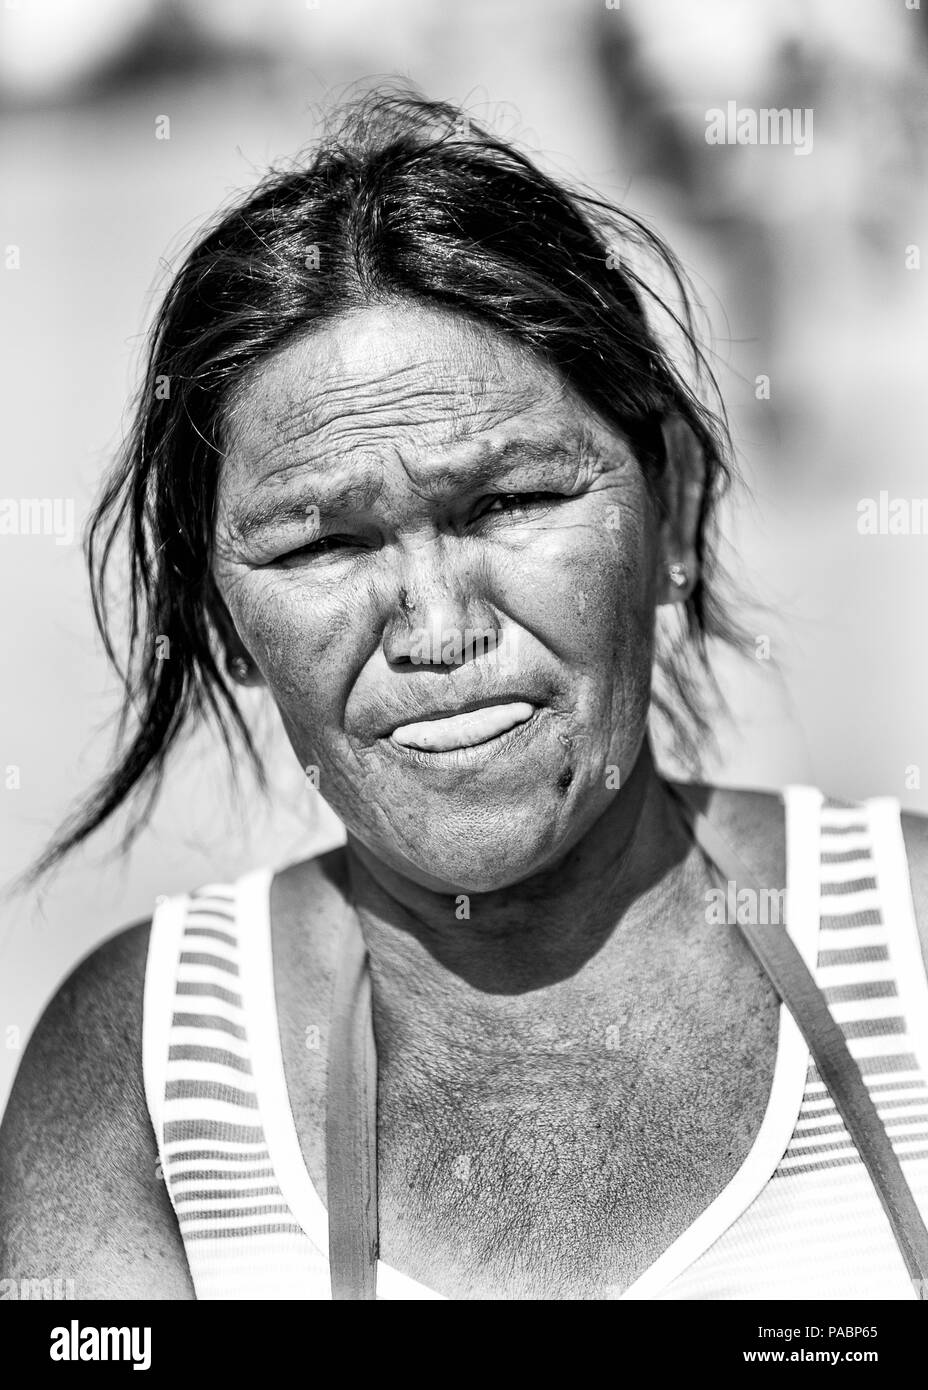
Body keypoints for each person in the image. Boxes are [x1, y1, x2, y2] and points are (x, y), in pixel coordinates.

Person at [2, 90, 927, 1301]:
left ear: (675, 512)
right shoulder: (149, 1069)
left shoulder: (906, 951)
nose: (438, 631)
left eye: (509, 503)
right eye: (321, 547)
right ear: (226, 623)